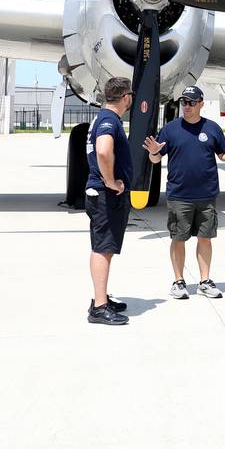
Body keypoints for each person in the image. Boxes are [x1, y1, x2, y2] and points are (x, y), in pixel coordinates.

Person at [143, 85, 225, 299]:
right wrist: (153, 153)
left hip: (206, 196)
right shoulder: (170, 129)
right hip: (179, 196)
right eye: (184, 102)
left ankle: (204, 281)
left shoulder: (212, 128)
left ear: (201, 104)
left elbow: (224, 155)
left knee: (205, 239)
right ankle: (178, 282)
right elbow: (156, 158)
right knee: (178, 238)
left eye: (191, 102)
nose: (187, 106)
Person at [85, 77, 134, 325]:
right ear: (126, 98)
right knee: (103, 249)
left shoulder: (103, 118)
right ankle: (99, 307)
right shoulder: (109, 120)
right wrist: (111, 181)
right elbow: (104, 151)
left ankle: (100, 297)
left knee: (104, 247)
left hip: (103, 195)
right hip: (105, 196)